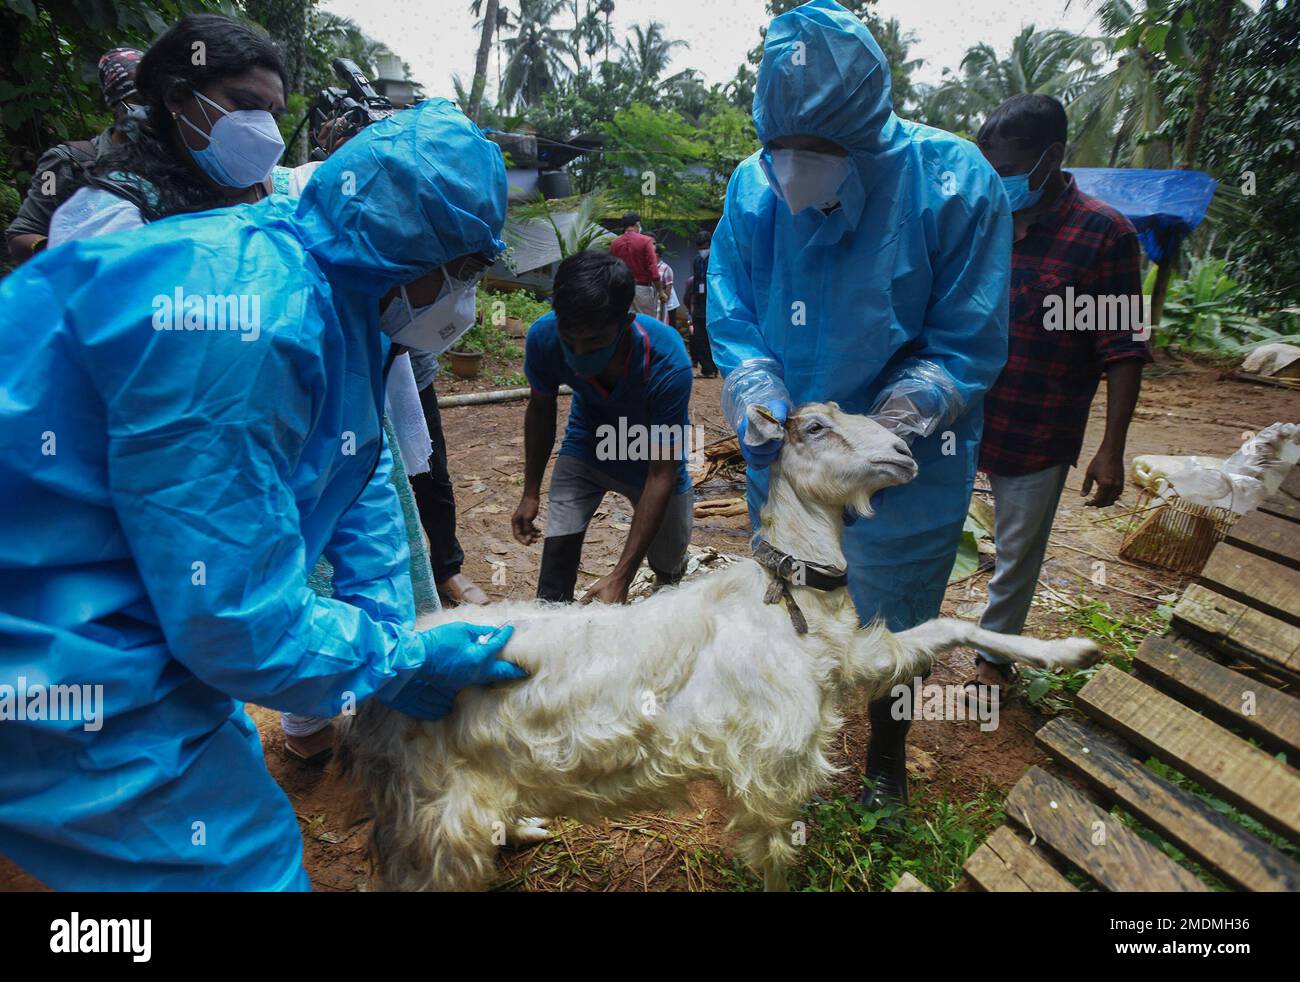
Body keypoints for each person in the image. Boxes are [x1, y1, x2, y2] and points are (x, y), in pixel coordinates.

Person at [0, 99, 526, 890]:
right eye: (465, 268)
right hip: (52, 641)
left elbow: (361, 487)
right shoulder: (247, 326)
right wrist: (396, 660)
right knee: (241, 870)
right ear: (413, 252)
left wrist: (391, 631)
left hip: (121, 609)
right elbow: (232, 618)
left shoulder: (338, 305)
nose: (465, 294)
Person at [708, 0, 1011, 807]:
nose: (794, 168)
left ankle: (885, 755)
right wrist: (757, 393)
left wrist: (894, 421)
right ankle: (791, 731)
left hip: (906, 469)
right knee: (794, 600)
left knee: (899, 621)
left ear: (870, 135)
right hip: (790, 461)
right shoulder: (752, 192)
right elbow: (734, 316)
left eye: (821, 151)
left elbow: (967, 341)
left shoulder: (953, 184)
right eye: (782, 148)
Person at [972, 94, 1149, 703]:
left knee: (1017, 552)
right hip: (961, 419)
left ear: (1051, 156)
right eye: (987, 169)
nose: (996, 182)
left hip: (1038, 425)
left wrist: (1112, 449)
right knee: (931, 533)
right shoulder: (983, 222)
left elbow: (1124, 348)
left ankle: (994, 657)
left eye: (1005, 169)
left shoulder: (1104, 235)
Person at [512, 250, 694, 605]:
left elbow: (661, 473)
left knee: (669, 565)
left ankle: (663, 585)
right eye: (570, 340)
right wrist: (530, 492)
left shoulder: (668, 361)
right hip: (588, 444)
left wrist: (621, 576)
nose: (579, 354)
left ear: (625, 322)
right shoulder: (544, 337)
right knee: (557, 559)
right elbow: (541, 410)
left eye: (594, 342)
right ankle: (552, 624)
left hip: (651, 457)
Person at [47, 14, 288, 247]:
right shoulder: (111, 221)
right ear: (177, 96)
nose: (264, 128)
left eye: (273, 115)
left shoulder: (278, 190)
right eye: (246, 104)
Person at [4, 47, 144, 263]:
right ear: (115, 105)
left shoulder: (170, 161)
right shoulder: (66, 162)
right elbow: (21, 235)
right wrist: (67, 256)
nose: (149, 109)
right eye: (138, 100)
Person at [408, 347, 492, 607]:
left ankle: (447, 570)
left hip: (412, 378)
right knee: (363, 478)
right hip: (354, 377)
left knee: (433, 474)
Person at [608, 211, 661, 317]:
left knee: (623, 323)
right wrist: (660, 291)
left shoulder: (615, 243)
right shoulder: (646, 241)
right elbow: (653, 270)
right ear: (637, 224)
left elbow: (612, 268)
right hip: (642, 289)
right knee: (646, 324)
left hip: (622, 290)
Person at [683, 230, 718, 378]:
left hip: (713, 302)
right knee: (698, 336)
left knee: (712, 336)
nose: (703, 250)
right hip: (699, 302)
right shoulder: (697, 261)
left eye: (704, 246)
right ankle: (707, 368)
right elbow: (696, 281)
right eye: (700, 247)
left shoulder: (716, 259)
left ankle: (712, 367)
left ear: (710, 245)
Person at [655, 243, 681, 327]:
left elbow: (668, 287)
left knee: (666, 325)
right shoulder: (651, 267)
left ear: (657, 254)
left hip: (666, 303)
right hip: (655, 302)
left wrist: (664, 301)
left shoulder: (666, 268)